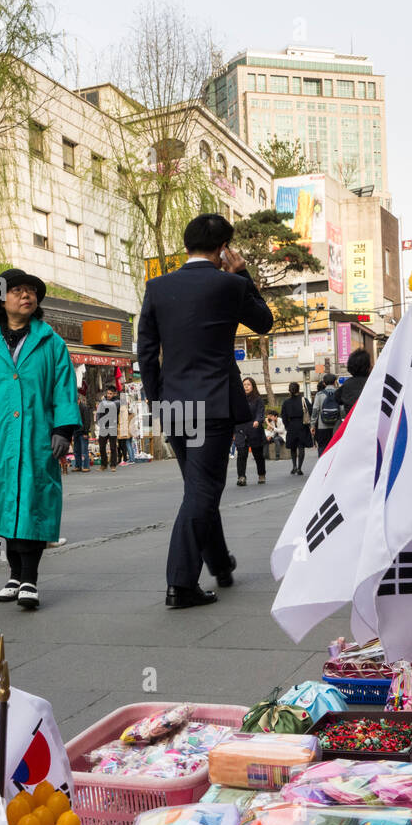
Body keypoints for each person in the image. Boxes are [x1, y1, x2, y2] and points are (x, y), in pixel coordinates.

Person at [138, 212, 273, 609]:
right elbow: (263, 322)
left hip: (175, 404)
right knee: (202, 490)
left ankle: (220, 563)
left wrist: (157, 397)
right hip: (213, 403)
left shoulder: (158, 287)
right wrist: (244, 274)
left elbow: (146, 350)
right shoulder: (229, 284)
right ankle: (180, 584)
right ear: (222, 249)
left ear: (186, 245)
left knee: (198, 487)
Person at [0, 268, 80, 610]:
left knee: (35, 505)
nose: (26, 296)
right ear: (1, 298)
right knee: (8, 504)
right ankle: (13, 574)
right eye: (18, 290)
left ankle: (30, 580)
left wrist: (63, 429)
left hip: (39, 437)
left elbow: (64, 387)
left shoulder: (50, 341)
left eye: (31, 292)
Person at [234, 376, 267, 486]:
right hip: (240, 430)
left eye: (248, 385)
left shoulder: (258, 399)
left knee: (258, 454)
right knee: (241, 454)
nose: (246, 387)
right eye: (244, 385)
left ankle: (261, 474)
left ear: (253, 386)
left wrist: (258, 420)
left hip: (254, 429)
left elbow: (260, 412)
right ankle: (241, 477)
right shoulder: (238, 399)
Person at [280, 382, 312, 475]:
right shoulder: (304, 400)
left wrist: (287, 426)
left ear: (289, 390)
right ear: (299, 389)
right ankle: (299, 468)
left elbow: (284, 416)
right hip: (302, 425)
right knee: (301, 447)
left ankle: (294, 466)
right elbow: (310, 411)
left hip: (291, 425)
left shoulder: (286, 402)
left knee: (293, 447)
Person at [335, 349, 372, 414]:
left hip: (352, 422)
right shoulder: (374, 383)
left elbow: (337, 399)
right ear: (368, 366)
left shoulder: (346, 385)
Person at [312, 373, 341, 455]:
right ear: (335, 382)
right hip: (336, 425)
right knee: (336, 447)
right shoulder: (339, 392)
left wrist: (312, 425)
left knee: (322, 447)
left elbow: (315, 410)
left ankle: (322, 465)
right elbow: (342, 409)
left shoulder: (319, 394)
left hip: (322, 425)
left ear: (324, 383)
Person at [95, 386, 120, 471]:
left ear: (114, 394)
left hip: (112, 427)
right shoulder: (103, 401)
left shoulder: (117, 401)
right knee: (102, 447)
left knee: (113, 447)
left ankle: (113, 465)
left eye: (110, 394)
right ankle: (103, 465)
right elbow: (98, 412)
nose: (108, 395)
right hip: (103, 427)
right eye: (108, 393)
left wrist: (103, 401)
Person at [73, 392, 93, 472]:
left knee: (84, 450)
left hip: (82, 432)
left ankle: (86, 466)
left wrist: (86, 432)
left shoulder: (84, 408)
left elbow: (87, 421)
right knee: (76, 451)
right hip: (76, 431)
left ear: (78, 400)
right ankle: (78, 465)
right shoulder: (74, 409)